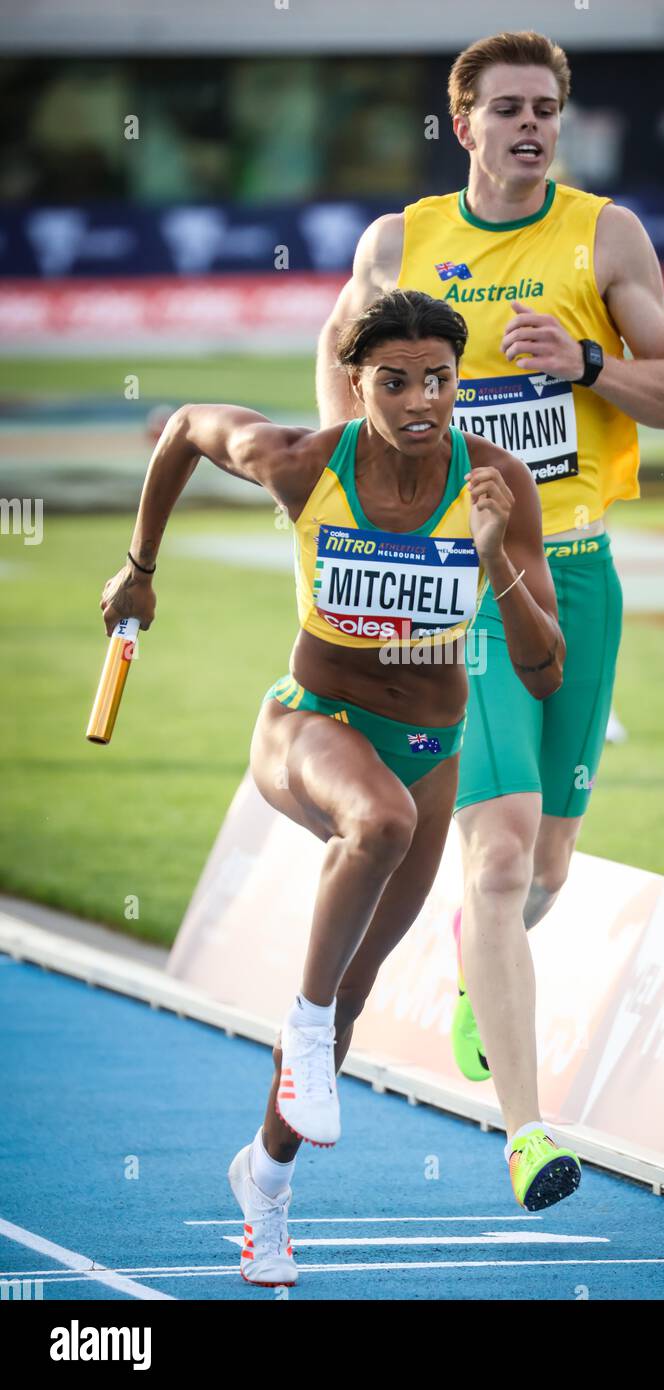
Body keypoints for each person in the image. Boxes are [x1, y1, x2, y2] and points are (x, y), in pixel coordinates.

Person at [98, 288, 571, 1288]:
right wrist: (140, 565)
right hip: (308, 724)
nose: (418, 401)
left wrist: (494, 562)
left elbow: (541, 672)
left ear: (458, 383)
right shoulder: (304, 463)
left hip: (425, 746)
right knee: (378, 821)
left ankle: (264, 1184)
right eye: (393, 381)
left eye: (438, 381)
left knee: (356, 983)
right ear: (355, 381)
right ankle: (304, 1027)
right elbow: (185, 426)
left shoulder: (496, 484)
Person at [316, 31, 664, 1211]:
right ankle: (529, 1135)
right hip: (458, 581)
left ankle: (479, 973)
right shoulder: (400, 241)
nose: (529, 125)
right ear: (463, 122)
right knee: (491, 855)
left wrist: (586, 358)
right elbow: (336, 372)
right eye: (506, 109)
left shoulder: (606, 235)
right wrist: (386, 485)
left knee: (544, 865)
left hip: (575, 572)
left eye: (546, 108)